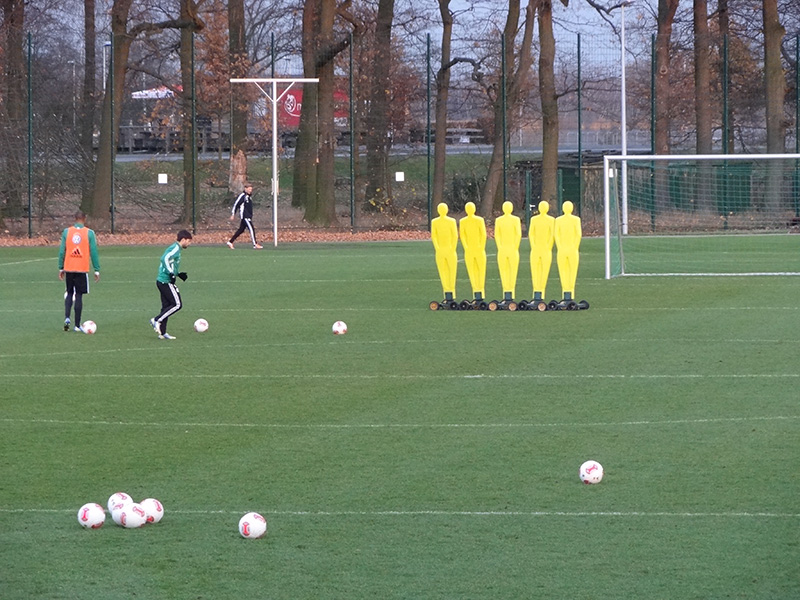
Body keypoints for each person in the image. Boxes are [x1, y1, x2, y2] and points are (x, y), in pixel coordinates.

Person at [58, 210, 101, 333]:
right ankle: (77, 325)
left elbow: (62, 251)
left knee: (69, 293)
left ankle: (67, 319)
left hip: (69, 268)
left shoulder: (67, 232)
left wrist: (61, 267)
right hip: (81, 269)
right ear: (84, 219)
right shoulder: (89, 233)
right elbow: (93, 252)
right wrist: (96, 269)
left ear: (74, 218)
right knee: (79, 296)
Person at [150, 230, 192, 340]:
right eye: (188, 241)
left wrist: (178, 274)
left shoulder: (176, 249)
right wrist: (171, 273)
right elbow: (164, 258)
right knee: (177, 304)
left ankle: (162, 333)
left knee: (166, 306)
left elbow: (171, 263)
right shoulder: (175, 248)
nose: (189, 243)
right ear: (183, 240)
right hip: (165, 281)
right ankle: (156, 320)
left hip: (162, 281)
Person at [458, 201, 487, 302]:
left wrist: (480, 246)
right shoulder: (463, 221)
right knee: (472, 271)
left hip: (477, 250)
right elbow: (463, 236)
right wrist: (467, 247)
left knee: (480, 270)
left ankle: (480, 291)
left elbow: (483, 234)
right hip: (470, 250)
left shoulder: (479, 220)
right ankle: (476, 291)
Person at [430, 203, 459, 302]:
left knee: (449, 271)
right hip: (444, 250)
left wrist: (450, 248)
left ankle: (450, 291)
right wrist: (439, 248)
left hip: (446, 250)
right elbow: (434, 236)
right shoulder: (435, 222)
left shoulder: (451, 221)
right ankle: (448, 291)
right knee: (446, 271)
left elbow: (454, 236)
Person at [554, 200, 582, 301]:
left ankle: (565, 291)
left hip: (563, 249)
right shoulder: (576, 220)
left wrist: (560, 246)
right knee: (571, 271)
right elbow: (578, 234)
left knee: (563, 271)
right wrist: (574, 246)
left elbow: (556, 235)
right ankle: (570, 292)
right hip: (571, 250)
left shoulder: (558, 220)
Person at [494, 201, 522, 302]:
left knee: (506, 271)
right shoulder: (513, 220)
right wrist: (514, 246)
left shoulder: (502, 220)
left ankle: (508, 291)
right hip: (509, 249)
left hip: (506, 249)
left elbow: (517, 234)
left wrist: (501, 246)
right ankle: (508, 291)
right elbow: (518, 234)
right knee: (508, 271)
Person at [529, 200, 556, 301]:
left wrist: (547, 246)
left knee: (541, 271)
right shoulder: (535, 220)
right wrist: (536, 245)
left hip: (541, 249)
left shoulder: (550, 220)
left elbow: (552, 235)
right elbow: (532, 234)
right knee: (538, 271)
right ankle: (537, 291)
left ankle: (540, 292)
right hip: (540, 249)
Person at [226, 183, 262, 249]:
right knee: (251, 229)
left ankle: (230, 242)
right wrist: (233, 214)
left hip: (248, 216)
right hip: (245, 216)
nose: (250, 190)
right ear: (245, 189)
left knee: (241, 230)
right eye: (249, 189)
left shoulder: (249, 197)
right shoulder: (242, 196)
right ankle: (255, 244)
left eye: (251, 189)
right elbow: (236, 205)